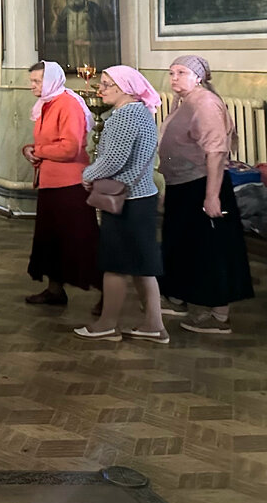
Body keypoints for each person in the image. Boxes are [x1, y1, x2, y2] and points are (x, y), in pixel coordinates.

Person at [158, 55, 254, 333]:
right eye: (172, 72)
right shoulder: (183, 101)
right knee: (184, 243)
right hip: (184, 185)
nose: (174, 77)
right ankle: (182, 297)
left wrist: (212, 196)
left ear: (198, 76)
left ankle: (218, 315)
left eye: (181, 72)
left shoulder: (205, 103)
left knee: (211, 247)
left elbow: (215, 152)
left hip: (203, 184)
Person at [74, 66, 168, 344]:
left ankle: (106, 324)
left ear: (125, 87)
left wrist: (88, 174)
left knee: (114, 264)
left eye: (106, 84)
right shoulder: (141, 112)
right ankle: (154, 325)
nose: (100, 89)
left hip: (126, 200)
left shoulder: (126, 115)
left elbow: (114, 159)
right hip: (142, 196)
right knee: (142, 264)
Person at [22, 61, 102, 308]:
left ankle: (106, 293)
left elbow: (69, 148)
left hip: (70, 184)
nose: (32, 86)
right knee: (52, 239)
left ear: (51, 81)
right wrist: (30, 150)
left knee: (81, 241)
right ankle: (55, 290)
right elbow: (46, 143)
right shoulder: (47, 104)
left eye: (37, 81)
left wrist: (39, 150)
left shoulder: (67, 104)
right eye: (32, 81)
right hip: (50, 182)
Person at [53, 0, 115, 71]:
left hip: (91, 59)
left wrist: (90, 43)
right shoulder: (64, 13)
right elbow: (58, 39)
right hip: (72, 59)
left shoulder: (94, 10)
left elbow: (105, 36)